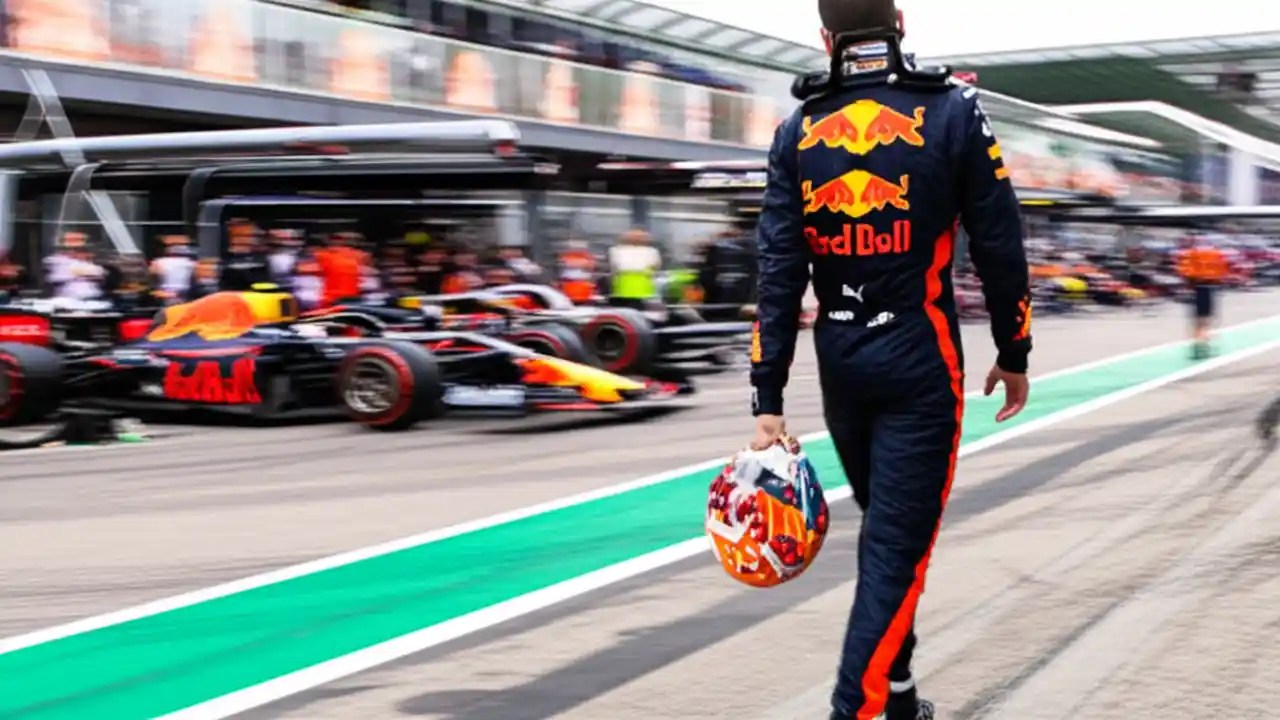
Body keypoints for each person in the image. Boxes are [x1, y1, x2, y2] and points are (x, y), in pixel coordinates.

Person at [748, 2, 1032, 719]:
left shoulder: (796, 128)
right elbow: (1000, 242)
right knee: (897, 556)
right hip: (920, 363)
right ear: (899, 21)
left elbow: (777, 271)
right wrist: (1013, 347)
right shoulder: (954, 110)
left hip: (839, 364)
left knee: (886, 538)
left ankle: (898, 697)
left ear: (824, 36)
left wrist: (767, 397)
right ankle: (858, 711)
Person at [1175, 234, 1228, 359]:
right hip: (1208, 288)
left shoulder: (1189, 254)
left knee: (1196, 320)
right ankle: (1202, 345)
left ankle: (1198, 344)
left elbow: (1183, 272)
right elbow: (1222, 271)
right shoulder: (1215, 254)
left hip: (1195, 288)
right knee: (1204, 319)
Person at [607, 228, 662, 309]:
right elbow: (656, 266)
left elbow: (613, 268)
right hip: (641, 291)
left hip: (625, 290)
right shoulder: (652, 252)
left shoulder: (615, 251)